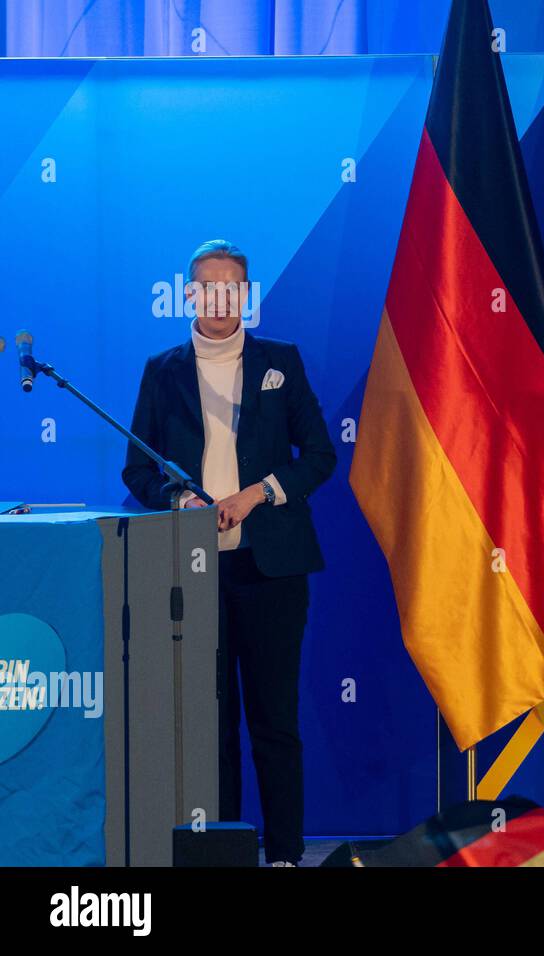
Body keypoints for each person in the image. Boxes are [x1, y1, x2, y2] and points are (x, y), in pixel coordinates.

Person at [122, 239, 336, 866]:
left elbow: (320, 457)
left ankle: (288, 856)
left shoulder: (281, 363)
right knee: (210, 728)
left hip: (272, 571)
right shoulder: (161, 370)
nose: (219, 298)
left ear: (246, 295)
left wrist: (260, 493)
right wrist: (178, 501)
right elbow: (137, 469)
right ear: (189, 294)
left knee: (275, 722)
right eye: (206, 287)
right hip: (194, 573)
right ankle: (221, 857)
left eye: (231, 287)